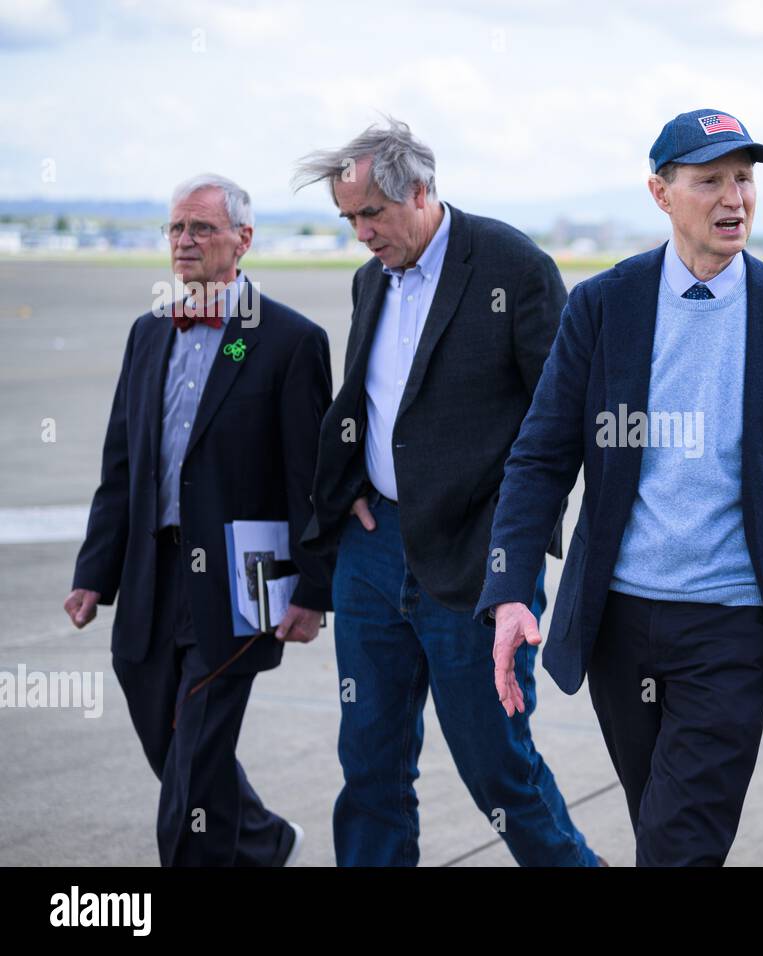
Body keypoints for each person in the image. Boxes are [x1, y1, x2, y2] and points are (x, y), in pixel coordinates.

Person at [477, 109, 763, 866]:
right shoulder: (604, 305)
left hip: (735, 624)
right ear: (660, 193)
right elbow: (541, 457)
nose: (733, 197)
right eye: (709, 180)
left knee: (680, 844)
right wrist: (512, 587)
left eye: (744, 178)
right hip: (620, 621)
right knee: (663, 830)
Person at [294, 118, 600, 867]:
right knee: (368, 760)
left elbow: (558, 422)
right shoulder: (372, 279)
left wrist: (516, 553)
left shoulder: (512, 267)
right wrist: (353, 490)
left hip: (476, 556)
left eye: (372, 213)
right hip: (373, 551)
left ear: (421, 190)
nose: (361, 233)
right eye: (348, 218)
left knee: (496, 765)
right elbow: (372, 400)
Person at [66, 174, 331, 866]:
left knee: (188, 787)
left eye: (202, 229)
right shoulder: (148, 334)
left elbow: (310, 480)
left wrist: (312, 591)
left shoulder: (285, 341)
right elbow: (122, 465)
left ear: (243, 240)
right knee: (174, 749)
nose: (185, 242)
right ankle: (266, 840)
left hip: (238, 587)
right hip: (151, 579)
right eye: (177, 229)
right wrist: (94, 573)